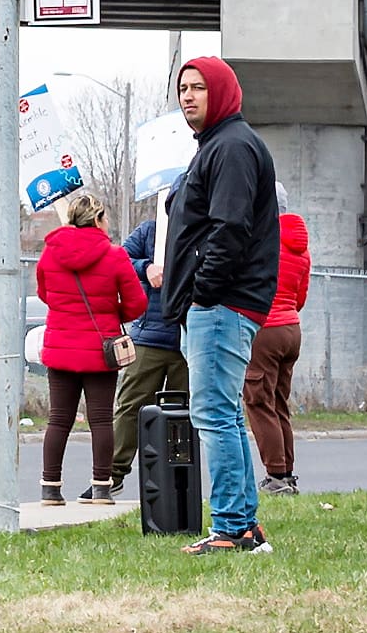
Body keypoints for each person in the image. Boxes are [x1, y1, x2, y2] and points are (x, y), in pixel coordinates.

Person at [157, 57, 281, 555]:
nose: (188, 97)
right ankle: (245, 526)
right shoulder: (216, 147)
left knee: (211, 414)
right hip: (216, 305)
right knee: (224, 414)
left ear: (223, 93)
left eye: (199, 88)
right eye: (183, 89)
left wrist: (202, 292)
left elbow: (230, 229)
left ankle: (230, 528)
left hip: (221, 305)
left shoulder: (231, 146)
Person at [34, 189, 144, 505]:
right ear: (97, 219)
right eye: (105, 217)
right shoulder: (114, 256)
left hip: (60, 347)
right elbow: (137, 303)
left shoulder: (50, 253)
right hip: (101, 348)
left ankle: (50, 488)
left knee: (58, 420)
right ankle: (100, 487)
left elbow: (45, 294)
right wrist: (110, 314)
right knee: (100, 420)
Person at [244, 193, 312, 497]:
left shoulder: (260, 240)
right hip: (290, 328)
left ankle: (275, 477)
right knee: (279, 403)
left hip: (264, 328)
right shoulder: (299, 247)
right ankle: (286, 473)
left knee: (259, 403)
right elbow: (300, 298)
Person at [110, 215, 184, 492]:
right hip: (149, 337)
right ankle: (111, 475)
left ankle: (177, 480)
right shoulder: (150, 231)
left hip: (187, 339)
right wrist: (147, 267)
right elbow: (119, 260)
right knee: (129, 406)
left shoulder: (203, 228)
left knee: (182, 416)